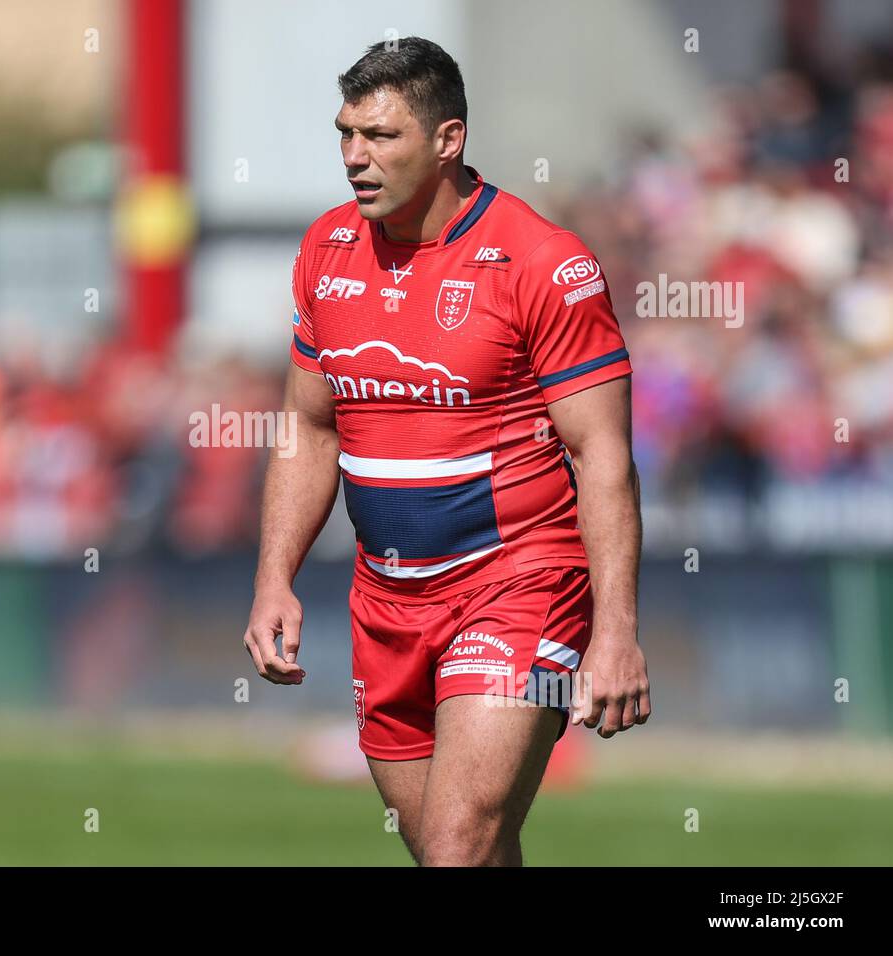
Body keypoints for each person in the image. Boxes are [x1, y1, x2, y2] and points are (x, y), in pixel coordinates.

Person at [243, 37, 650, 866]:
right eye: (346, 134)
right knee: (449, 851)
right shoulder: (326, 251)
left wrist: (617, 630)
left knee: (462, 842)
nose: (356, 157)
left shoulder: (544, 263)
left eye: (381, 136)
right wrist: (272, 578)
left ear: (447, 139)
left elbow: (602, 455)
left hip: (525, 587)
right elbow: (310, 428)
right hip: (385, 601)